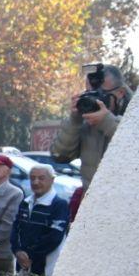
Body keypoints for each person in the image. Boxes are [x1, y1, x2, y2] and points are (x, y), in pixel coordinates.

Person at [51, 63, 132, 191]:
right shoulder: (86, 122)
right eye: (90, 92)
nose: (94, 98)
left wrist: (107, 122)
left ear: (120, 93)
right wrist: (74, 121)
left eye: (101, 93)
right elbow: (59, 156)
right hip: (92, 203)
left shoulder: (137, 116)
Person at [11, 164, 70, 276]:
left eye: (41, 178)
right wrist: (17, 251)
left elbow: (53, 237)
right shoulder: (25, 203)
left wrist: (30, 256)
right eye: (32, 178)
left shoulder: (59, 205)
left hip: (45, 269)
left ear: (52, 180)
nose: (36, 182)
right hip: (23, 267)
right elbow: (15, 229)